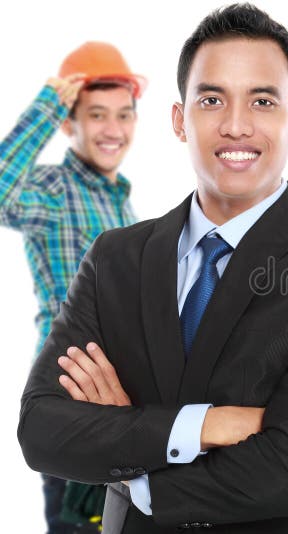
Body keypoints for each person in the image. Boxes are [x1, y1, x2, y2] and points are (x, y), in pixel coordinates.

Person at [18, 4, 288, 533]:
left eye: (262, 101)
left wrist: (131, 462)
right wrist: (206, 426)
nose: (236, 125)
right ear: (180, 119)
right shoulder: (115, 258)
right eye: (212, 99)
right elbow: (41, 429)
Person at [0, 41, 143, 533]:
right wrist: (45, 107)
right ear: (68, 123)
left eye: (124, 115)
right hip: (70, 411)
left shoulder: (122, 205)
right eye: (97, 115)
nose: (114, 130)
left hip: (121, 412)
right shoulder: (55, 191)